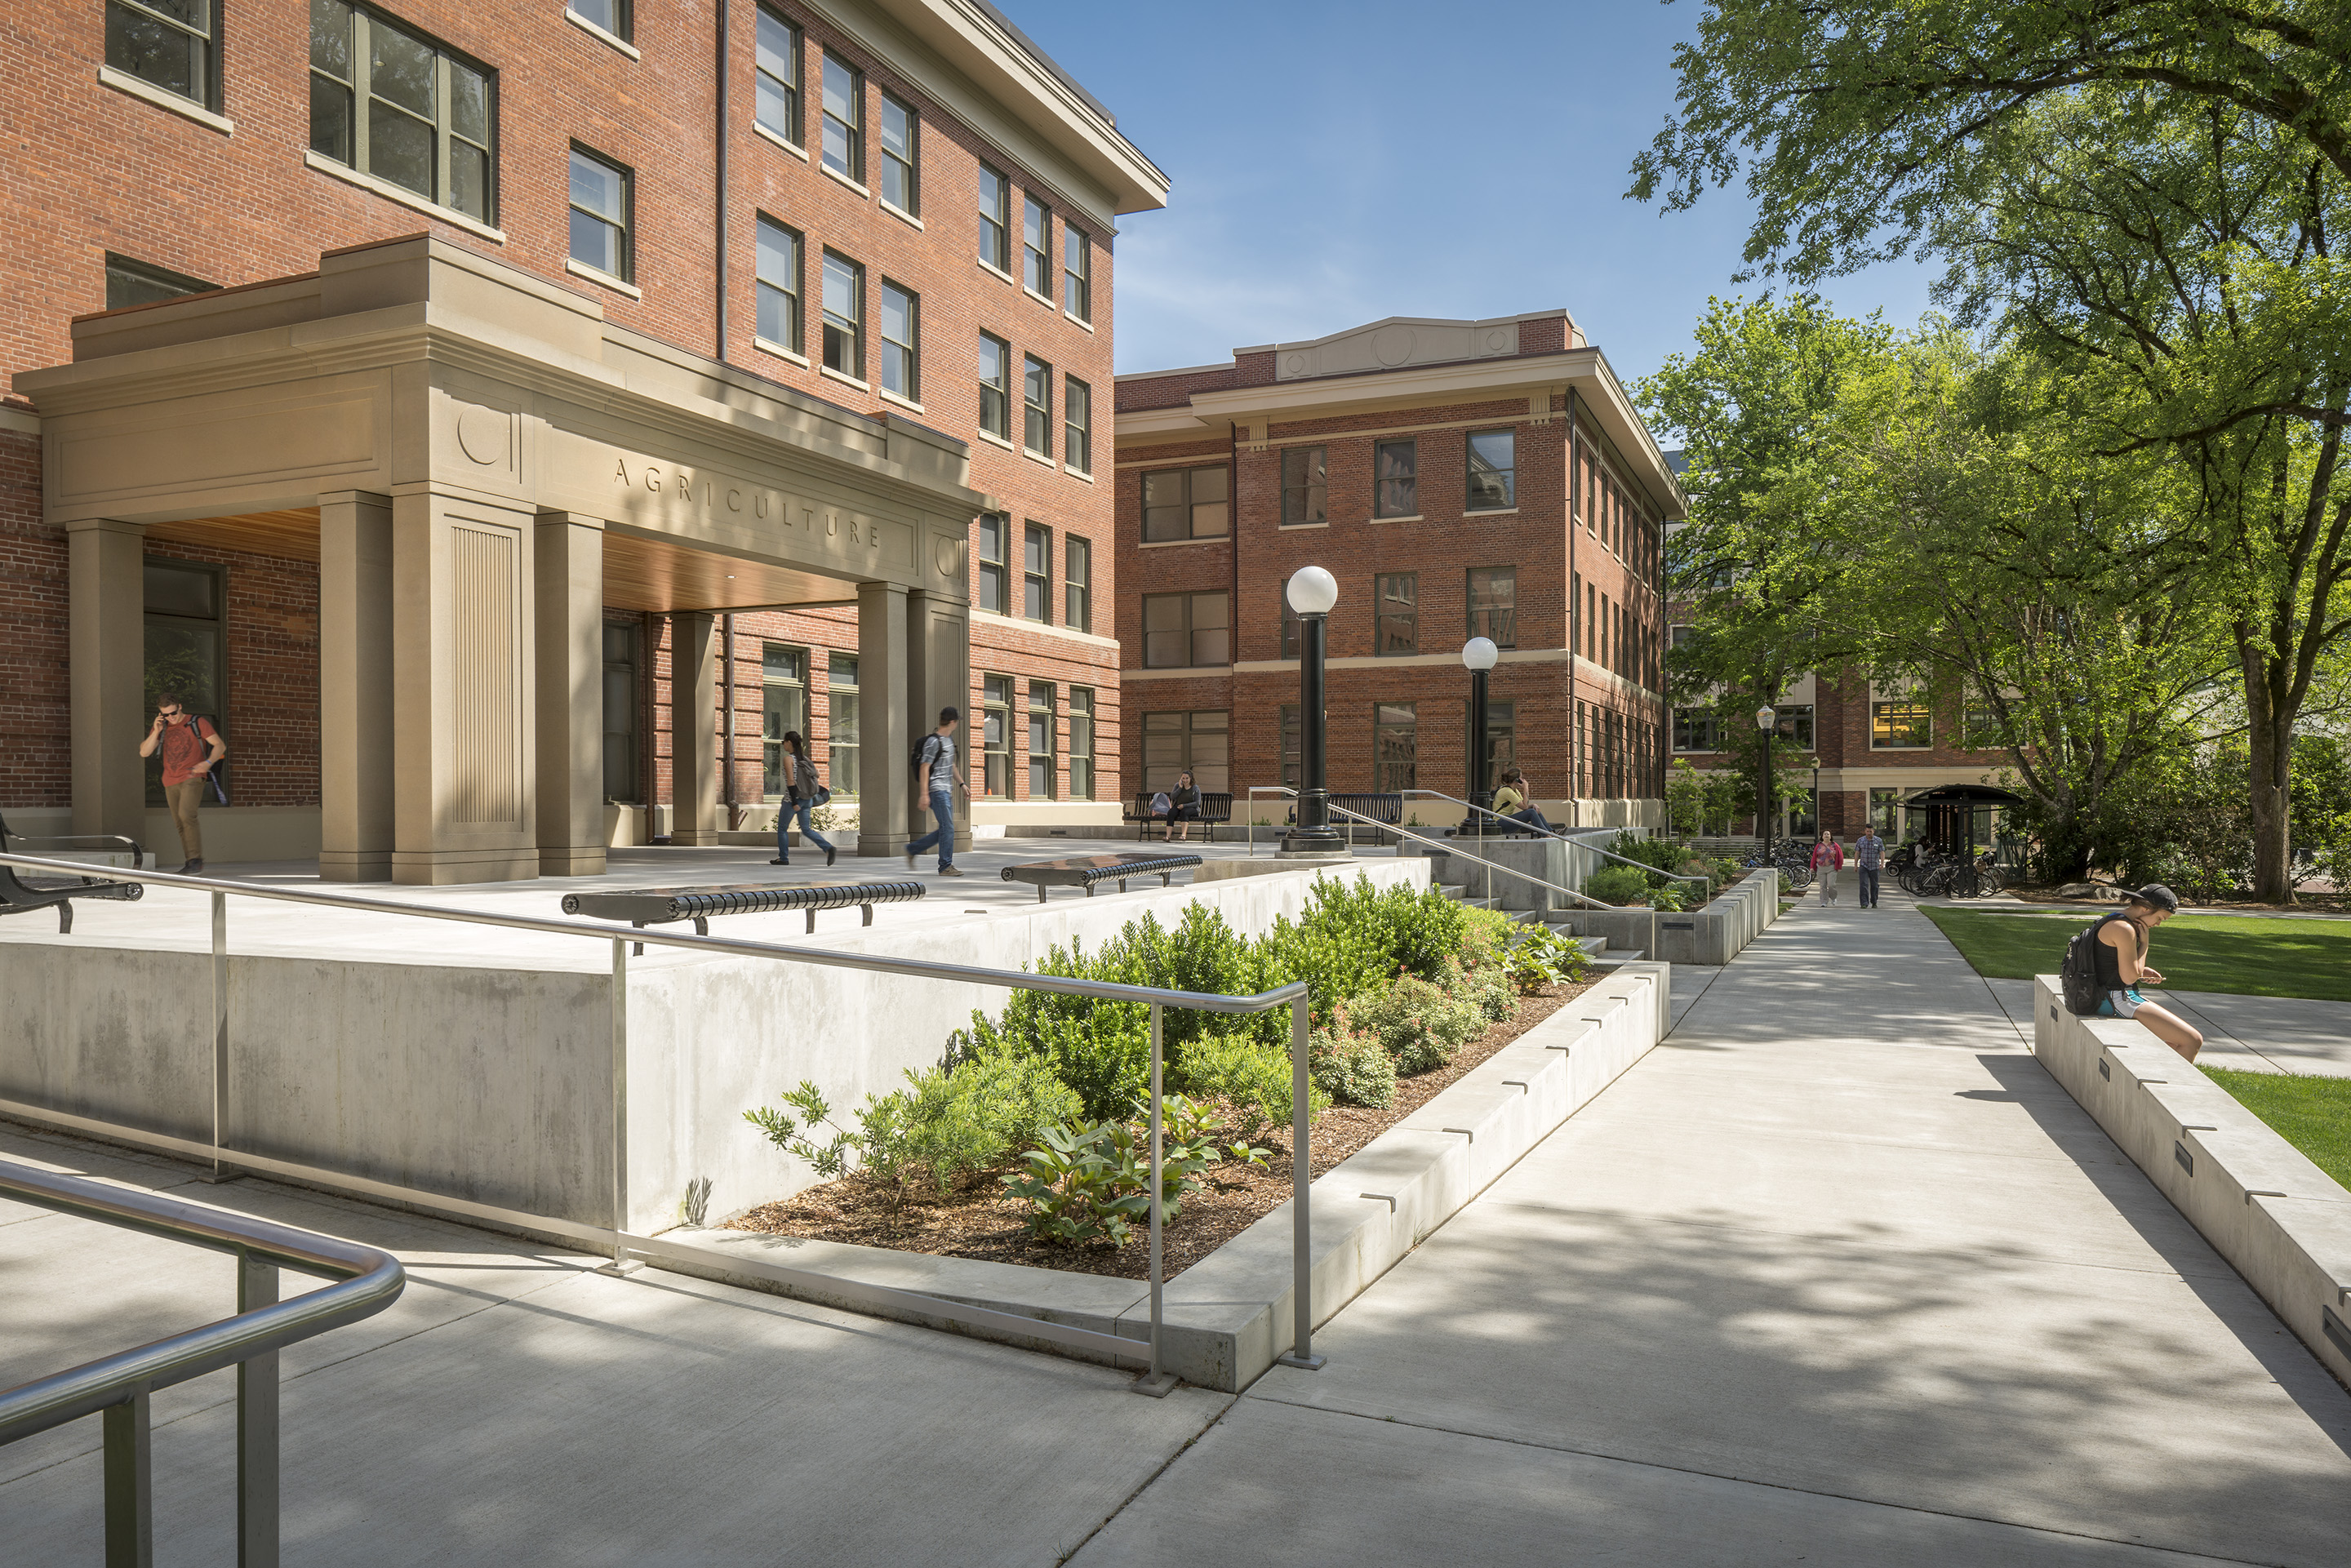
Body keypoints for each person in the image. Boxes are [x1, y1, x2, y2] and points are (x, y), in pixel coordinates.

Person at [2093, 884, 2202, 1061]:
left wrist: (2141, 970)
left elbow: (2104, 963)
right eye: (2160, 918)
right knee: (2192, 1040)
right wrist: (2144, 945)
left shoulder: (2112, 920)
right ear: (2145, 908)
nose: (2158, 924)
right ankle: (2169, 1089)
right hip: (2113, 998)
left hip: (2104, 994)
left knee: (2173, 1044)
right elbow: (2129, 977)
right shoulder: (2124, 929)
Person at [137, 693, 225, 874]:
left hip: (193, 775)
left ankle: (195, 860)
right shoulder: (163, 726)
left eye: (173, 713)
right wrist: (157, 730)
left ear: (180, 706)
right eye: (166, 715)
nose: (171, 717)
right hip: (170, 779)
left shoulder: (197, 722)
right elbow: (144, 752)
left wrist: (207, 763)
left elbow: (220, 746)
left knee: (186, 815)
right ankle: (190, 862)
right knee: (179, 821)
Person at [905, 707, 962, 877]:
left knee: (946, 828)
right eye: (957, 721)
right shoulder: (933, 742)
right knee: (948, 828)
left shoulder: (949, 741)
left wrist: (962, 784)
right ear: (952, 722)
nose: (957, 723)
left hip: (946, 790)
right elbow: (924, 767)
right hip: (936, 790)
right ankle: (945, 867)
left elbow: (951, 766)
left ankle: (913, 849)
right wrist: (924, 794)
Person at [770, 731, 837, 868]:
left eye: (784, 742)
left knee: (782, 829)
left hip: (792, 799)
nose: (783, 745)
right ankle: (828, 848)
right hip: (808, 798)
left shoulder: (788, 759)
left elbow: (790, 781)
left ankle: (783, 858)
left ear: (789, 742)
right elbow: (817, 774)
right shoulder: (805, 759)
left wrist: (794, 802)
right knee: (806, 829)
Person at [1489, 766, 1554, 835]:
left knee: (1533, 810)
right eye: (1521, 778)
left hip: (1507, 821)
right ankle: (1546, 835)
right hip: (1500, 823)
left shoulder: (1515, 791)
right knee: (1531, 812)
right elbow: (1525, 807)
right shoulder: (1506, 791)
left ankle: (1551, 832)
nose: (1523, 780)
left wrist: (1533, 805)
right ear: (1517, 780)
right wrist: (1526, 788)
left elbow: (1524, 804)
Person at [1162, 771, 1202, 842]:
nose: (1185, 780)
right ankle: (1168, 836)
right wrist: (1180, 788)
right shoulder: (1177, 785)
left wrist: (1185, 805)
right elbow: (1172, 796)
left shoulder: (1195, 788)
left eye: (1187, 778)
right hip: (1179, 806)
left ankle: (1183, 835)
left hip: (1192, 808)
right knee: (1171, 812)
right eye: (1183, 778)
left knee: (1184, 812)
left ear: (1191, 779)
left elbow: (1197, 803)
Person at [1854, 822, 1885, 908]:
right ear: (1865, 831)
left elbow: (1882, 852)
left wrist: (1882, 863)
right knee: (1864, 884)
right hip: (1864, 866)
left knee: (1874, 885)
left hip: (1875, 866)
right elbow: (1857, 852)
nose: (1869, 833)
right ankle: (1864, 903)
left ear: (1873, 831)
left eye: (1870, 831)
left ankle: (1874, 902)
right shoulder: (1860, 840)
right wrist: (1855, 865)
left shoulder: (1878, 840)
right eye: (1867, 831)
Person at [1810, 829, 1844, 904]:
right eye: (1825, 834)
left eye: (1828, 834)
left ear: (1830, 836)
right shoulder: (1819, 846)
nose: (1826, 835)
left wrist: (1839, 867)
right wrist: (1812, 867)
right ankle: (1824, 902)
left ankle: (1833, 897)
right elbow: (1814, 857)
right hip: (1821, 868)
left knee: (1831, 885)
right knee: (1823, 886)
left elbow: (1840, 856)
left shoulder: (1835, 845)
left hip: (1831, 868)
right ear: (1822, 837)